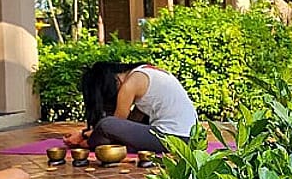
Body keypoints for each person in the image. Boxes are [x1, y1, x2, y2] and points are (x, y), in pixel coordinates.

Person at [63, 62, 197, 153]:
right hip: (188, 137)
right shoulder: (144, 71)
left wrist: (83, 135)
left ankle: (90, 144)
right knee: (108, 131)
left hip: (175, 137)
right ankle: (96, 142)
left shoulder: (129, 85)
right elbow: (131, 123)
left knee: (106, 125)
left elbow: (114, 125)